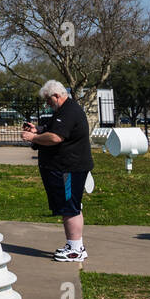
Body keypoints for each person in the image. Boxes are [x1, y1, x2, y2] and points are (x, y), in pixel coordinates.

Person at [22, 80, 93, 261]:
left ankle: (75, 249)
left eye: (48, 100)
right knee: (70, 206)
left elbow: (55, 136)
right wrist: (38, 129)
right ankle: (75, 245)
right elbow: (53, 128)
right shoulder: (64, 111)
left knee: (70, 207)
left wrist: (34, 137)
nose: (47, 104)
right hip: (64, 168)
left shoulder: (69, 111)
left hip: (68, 169)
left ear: (56, 96)